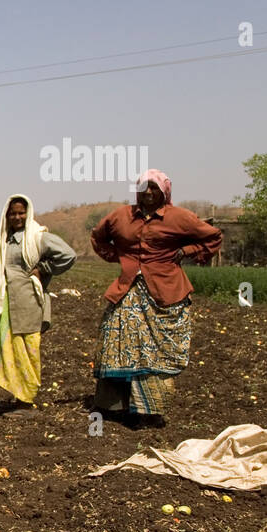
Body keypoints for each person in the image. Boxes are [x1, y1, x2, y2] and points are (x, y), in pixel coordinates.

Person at [89, 169, 221, 427]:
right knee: (115, 340)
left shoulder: (179, 217)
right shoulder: (121, 216)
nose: (148, 193)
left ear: (164, 191)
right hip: (128, 289)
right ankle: (115, 406)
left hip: (165, 292)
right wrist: (119, 257)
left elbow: (213, 237)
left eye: (154, 188)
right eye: (144, 188)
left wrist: (187, 250)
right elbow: (98, 236)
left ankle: (149, 411)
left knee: (155, 353)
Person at [0, 194, 76, 413]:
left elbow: (68, 255)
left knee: (28, 348)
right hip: (4, 303)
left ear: (28, 213)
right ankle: (18, 397)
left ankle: (27, 399)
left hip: (27, 302)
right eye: (12, 213)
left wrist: (43, 269)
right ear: (7, 215)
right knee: (10, 348)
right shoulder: (4, 239)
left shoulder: (37, 237)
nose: (17, 217)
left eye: (21, 212)